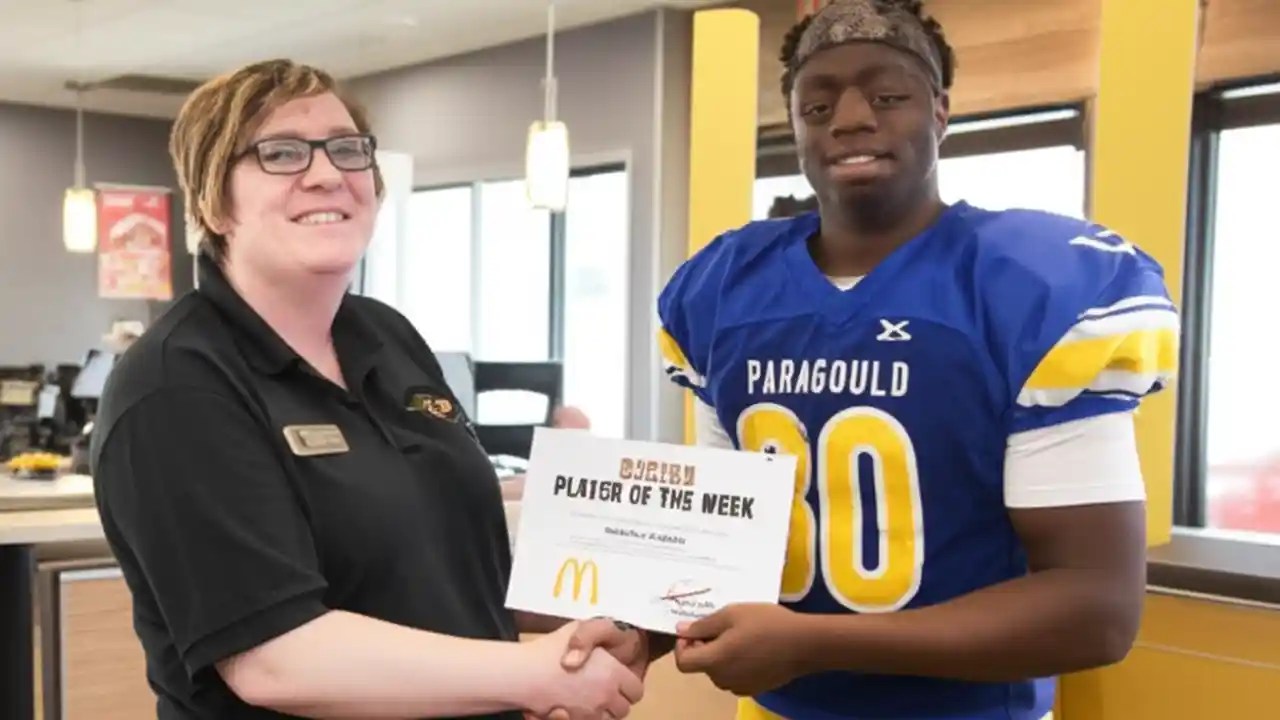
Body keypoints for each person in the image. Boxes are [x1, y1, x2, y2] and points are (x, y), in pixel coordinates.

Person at [656, 1, 1179, 719]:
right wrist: (636, 626)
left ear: (939, 112)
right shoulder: (723, 288)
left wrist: (816, 642)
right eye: (817, 104)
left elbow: (1098, 606)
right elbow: (723, 536)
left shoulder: (1029, 286)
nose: (848, 118)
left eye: (887, 96)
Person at [90, 59, 648, 720]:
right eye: (281, 153)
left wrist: (608, 603)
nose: (327, 173)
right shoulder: (176, 388)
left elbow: (445, 568)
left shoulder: (387, 337)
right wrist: (536, 672)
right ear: (214, 203)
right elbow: (275, 659)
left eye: (347, 149)